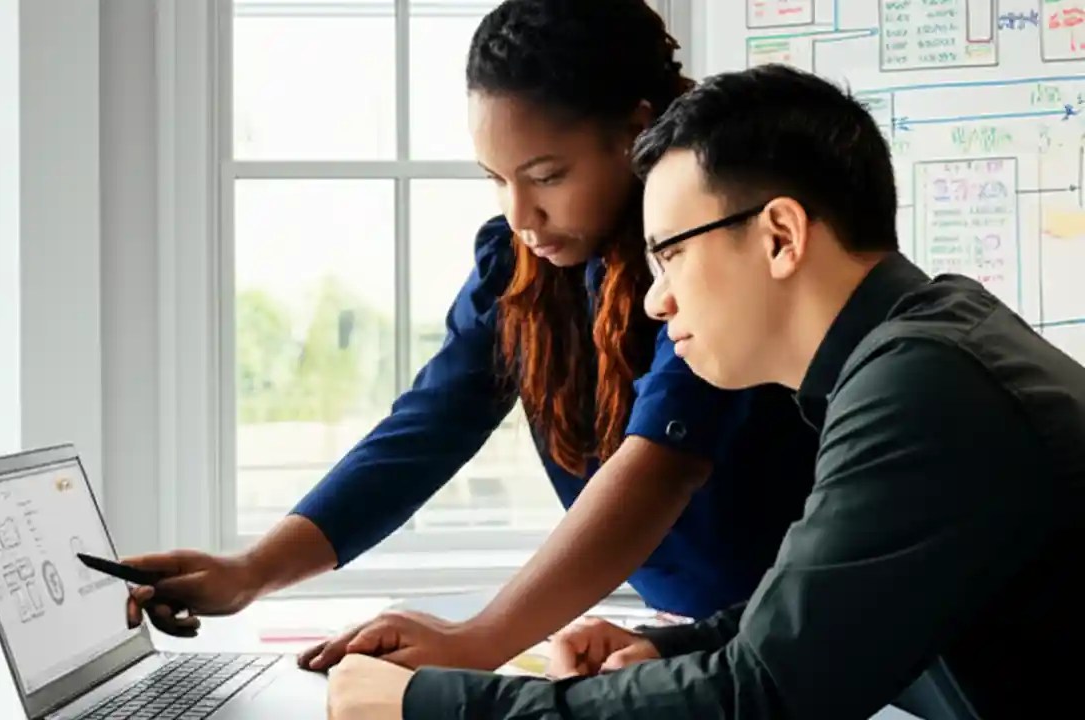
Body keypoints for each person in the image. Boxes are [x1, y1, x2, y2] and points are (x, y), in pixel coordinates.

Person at [325, 63, 1085, 720]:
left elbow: (758, 700)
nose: (657, 302)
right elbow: (838, 608)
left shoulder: (921, 389)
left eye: (671, 258)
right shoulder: (923, 344)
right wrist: (669, 644)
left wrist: (421, 703)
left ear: (780, 236)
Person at [123, 0, 815, 675]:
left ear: (636, 136)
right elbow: (427, 430)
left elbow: (663, 466)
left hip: (805, 624)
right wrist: (253, 572)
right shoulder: (518, 266)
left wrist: (481, 638)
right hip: (696, 631)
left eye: (547, 176)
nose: (521, 214)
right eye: (496, 179)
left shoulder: (709, 261)